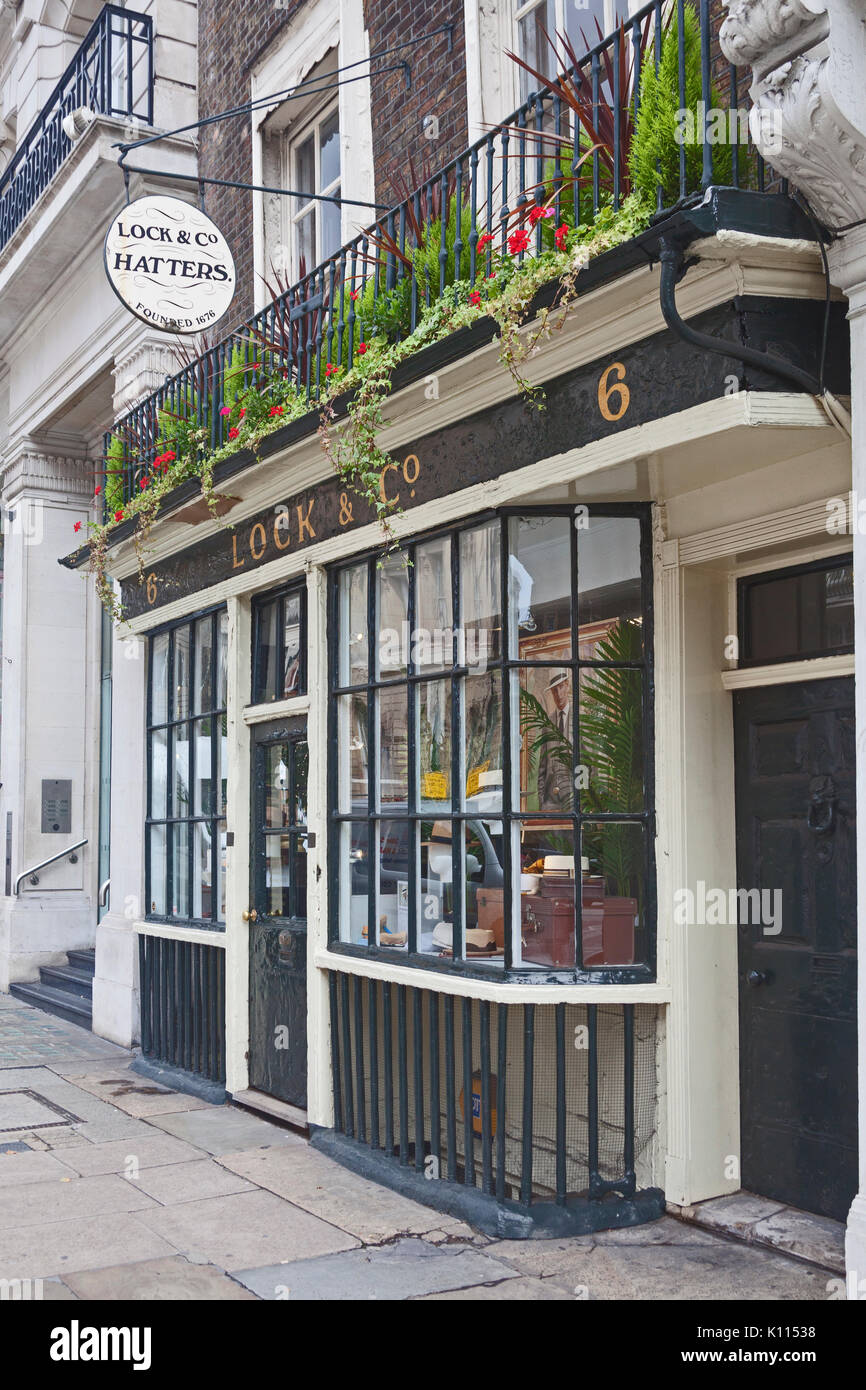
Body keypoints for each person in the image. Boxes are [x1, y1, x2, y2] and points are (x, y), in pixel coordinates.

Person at [537, 669, 572, 811]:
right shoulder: (548, 723)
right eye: (554, 691)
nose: (559, 694)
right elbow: (542, 767)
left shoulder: (580, 718)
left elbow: (589, 765)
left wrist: (586, 801)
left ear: (567, 685)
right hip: (550, 803)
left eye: (561, 687)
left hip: (573, 801)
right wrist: (541, 802)